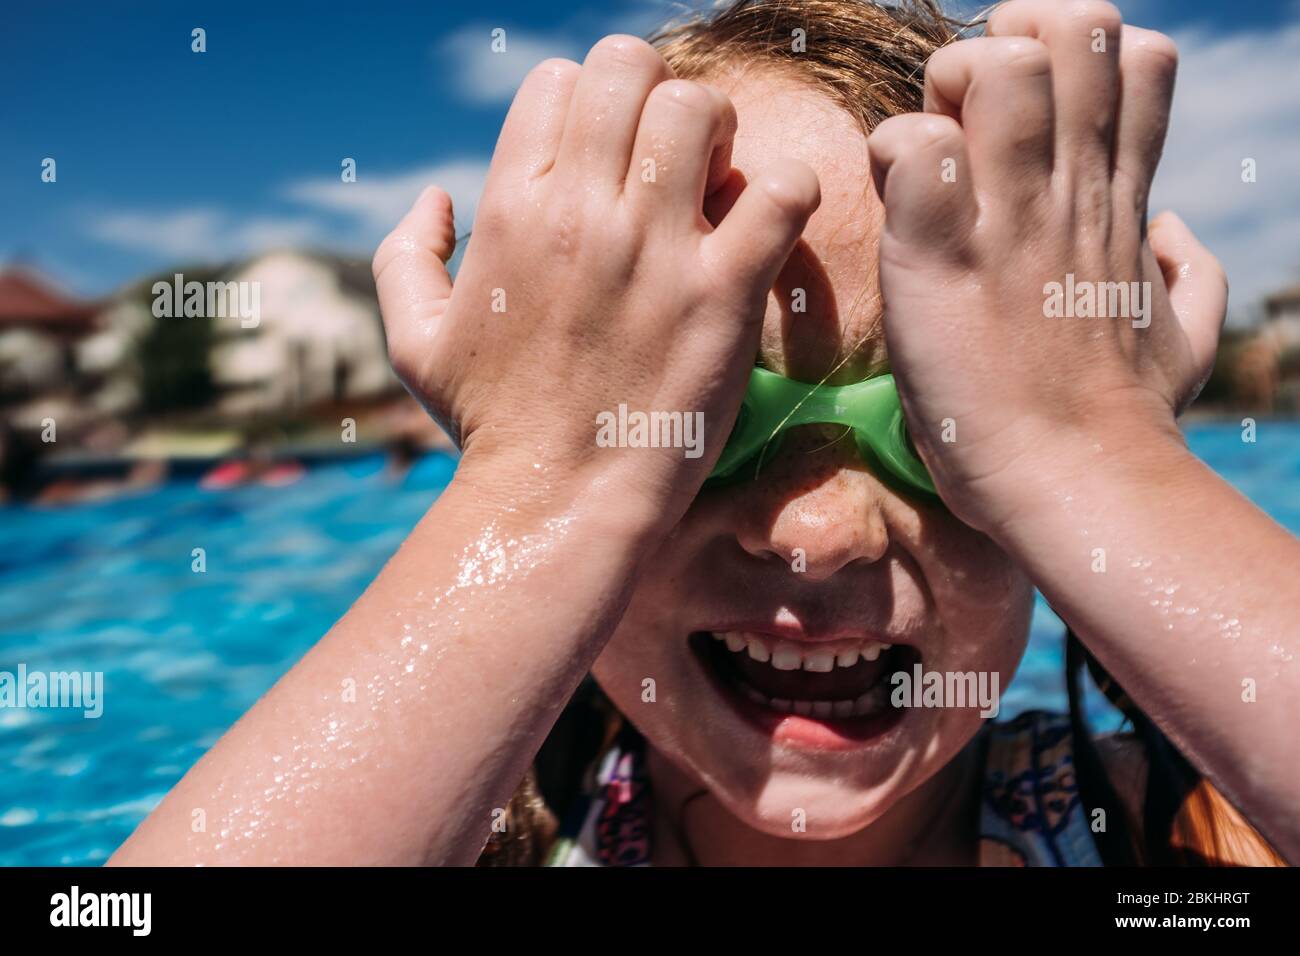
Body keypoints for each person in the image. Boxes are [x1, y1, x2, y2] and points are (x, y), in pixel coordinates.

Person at [111, 0, 1297, 867]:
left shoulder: (1162, 837)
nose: (816, 536)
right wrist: (539, 491)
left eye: (951, 428)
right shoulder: (474, 834)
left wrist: (1099, 454)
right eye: (700, 419)